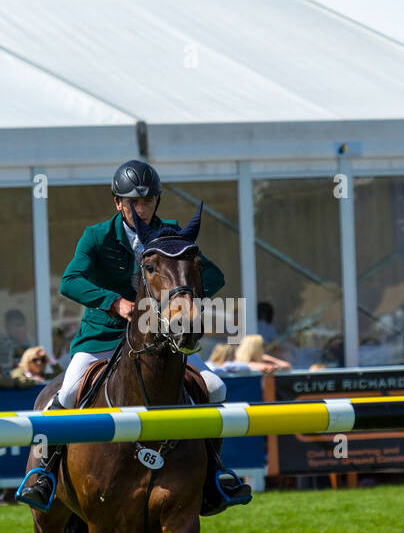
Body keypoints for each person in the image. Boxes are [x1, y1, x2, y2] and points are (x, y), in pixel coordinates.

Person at [16, 159, 251, 514]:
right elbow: (70, 281)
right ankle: (45, 473)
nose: (141, 209)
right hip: (103, 335)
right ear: (118, 202)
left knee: (215, 386)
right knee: (65, 392)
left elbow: (213, 276)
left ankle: (214, 472)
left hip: (158, 339)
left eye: (148, 202)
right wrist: (115, 302)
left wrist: (179, 304)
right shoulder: (97, 235)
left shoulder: (172, 235)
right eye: (133, 203)